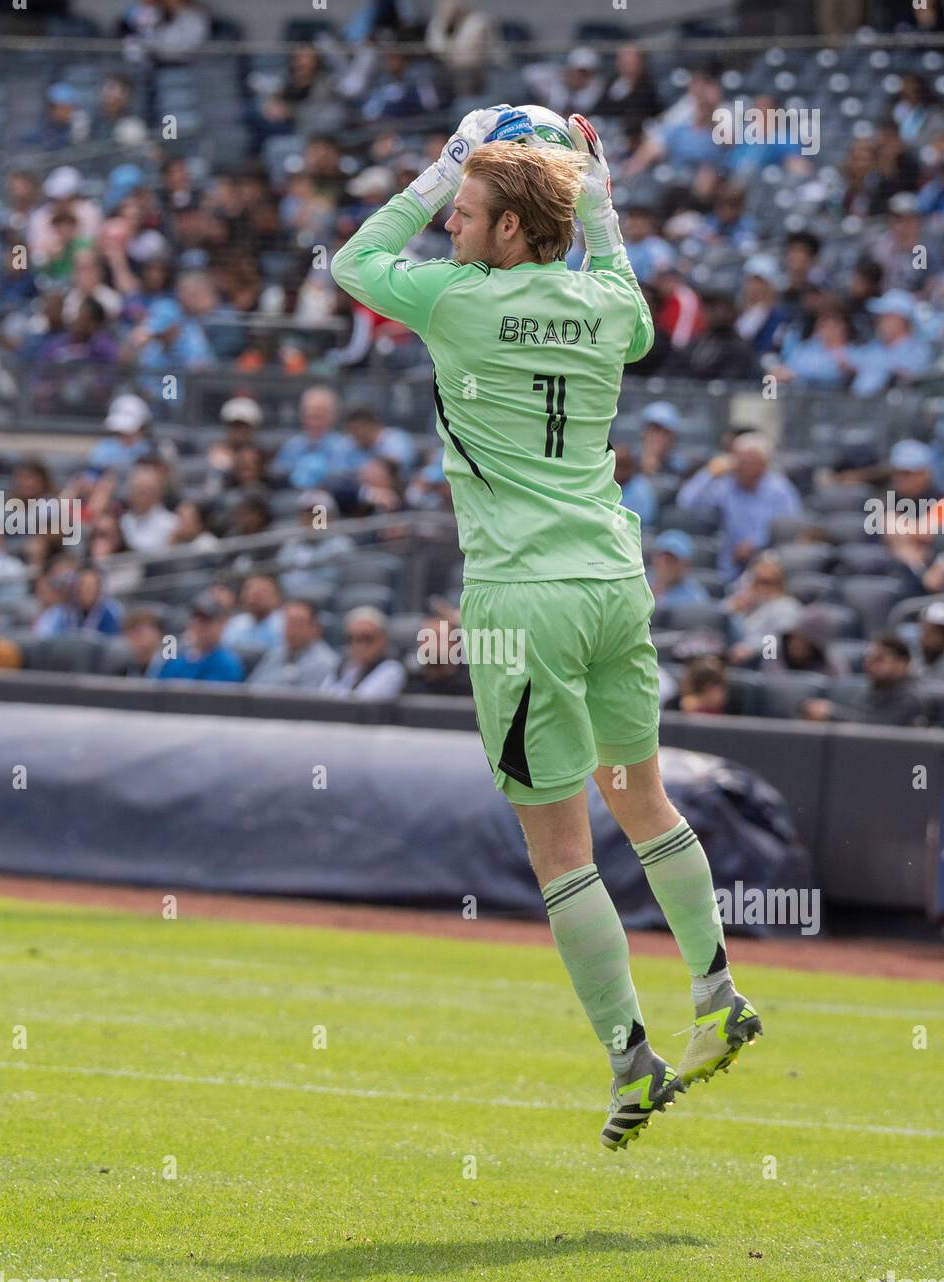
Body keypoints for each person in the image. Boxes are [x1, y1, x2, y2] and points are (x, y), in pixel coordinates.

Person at [331, 108, 763, 1151]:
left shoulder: (455, 303)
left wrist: (439, 165)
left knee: (557, 845)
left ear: (513, 233)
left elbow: (355, 260)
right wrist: (600, 197)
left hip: (521, 597)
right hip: (616, 580)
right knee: (642, 795)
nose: (451, 230)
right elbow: (641, 314)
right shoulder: (606, 304)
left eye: (468, 216)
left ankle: (629, 1058)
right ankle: (716, 989)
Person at [677, 432, 802, 579]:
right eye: (738, 460)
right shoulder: (726, 487)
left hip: (770, 565)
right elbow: (685, 503)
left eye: (748, 462)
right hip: (731, 568)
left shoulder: (780, 490)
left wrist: (756, 543)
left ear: (763, 464)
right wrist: (709, 472)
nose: (741, 466)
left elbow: (791, 528)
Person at [802, 634, 927, 726]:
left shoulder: (910, 698)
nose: (869, 665)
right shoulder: (875, 689)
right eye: (869, 658)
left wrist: (831, 714)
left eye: (879, 659)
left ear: (902, 664)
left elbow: (876, 730)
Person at [248, 599, 339, 690]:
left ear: (314, 628)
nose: (293, 630)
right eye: (289, 622)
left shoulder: (327, 663)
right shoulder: (275, 653)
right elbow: (252, 687)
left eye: (299, 624)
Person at [320, 605, 406, 699]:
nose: (359, 645)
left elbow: (362, 702)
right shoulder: (341, 666)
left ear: (383, 639)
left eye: (367, 638)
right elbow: (322, 700)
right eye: (351, 639)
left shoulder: (392, 669)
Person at [155, 593, 245, 683]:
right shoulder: (176, 659)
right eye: (196, 619)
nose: (200, 626)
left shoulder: (226, 664)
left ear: (221, 624)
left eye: (207, 621)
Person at [648, 531, 710, 611]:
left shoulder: (696, 598)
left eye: (670, 560)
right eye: (660, 557)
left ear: (686, 565)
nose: (663, 565)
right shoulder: (640, 582)